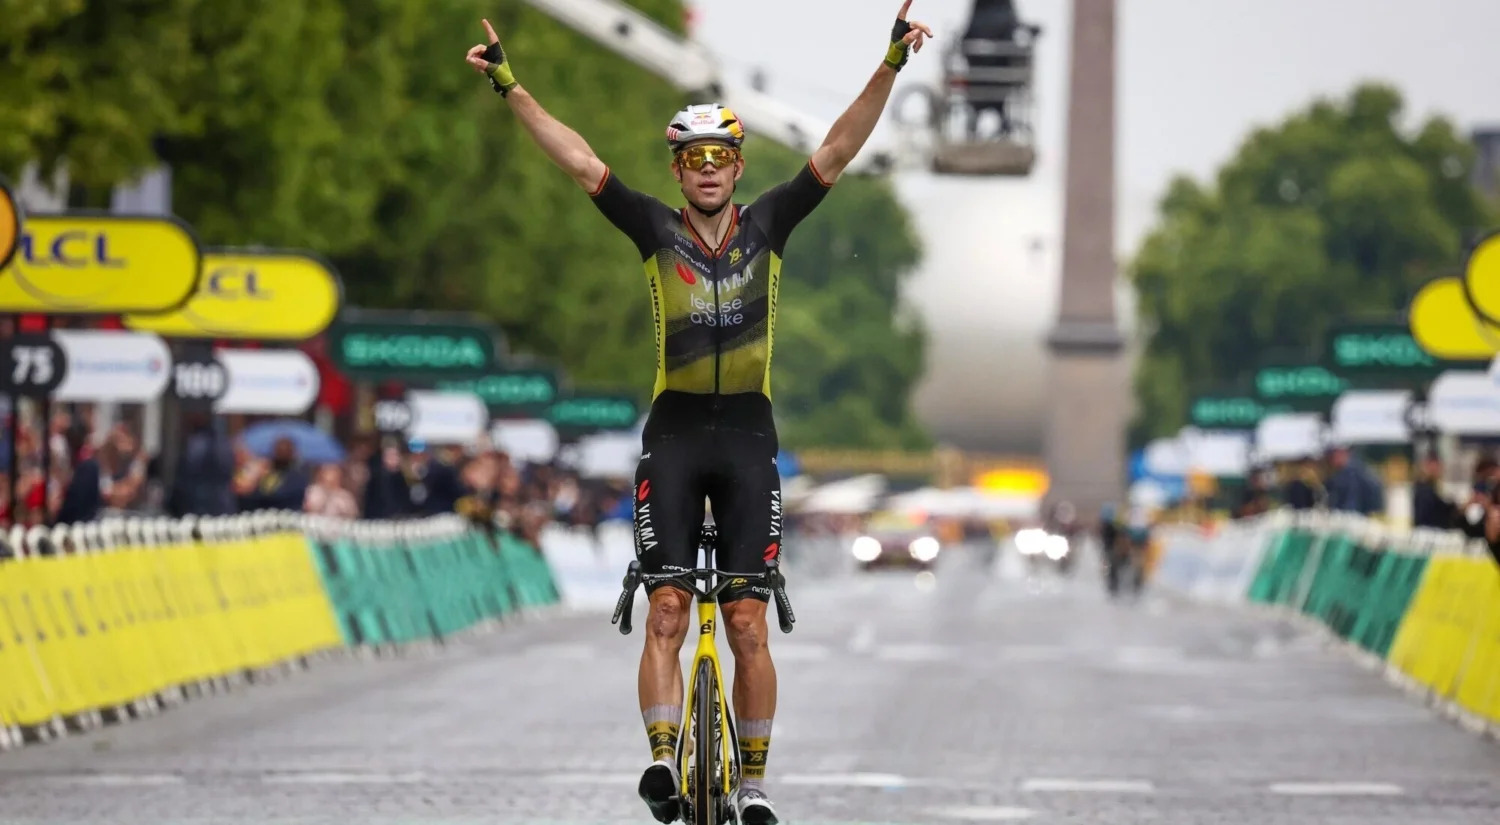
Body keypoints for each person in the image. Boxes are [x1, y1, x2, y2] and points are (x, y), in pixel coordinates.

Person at [464, 4, 934, 823]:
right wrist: (512, 88)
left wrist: (890, 64)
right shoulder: (652, 229)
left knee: (749, 622)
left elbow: (839, 146)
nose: (708, 169)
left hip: (750, 436)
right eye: (693, 158)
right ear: (677, 171)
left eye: (721, 156)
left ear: (740, 167)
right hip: (675, 435)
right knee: (670, 607)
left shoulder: (770, 226)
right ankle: (661, 762)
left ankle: (752, 780)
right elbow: (578, 160)